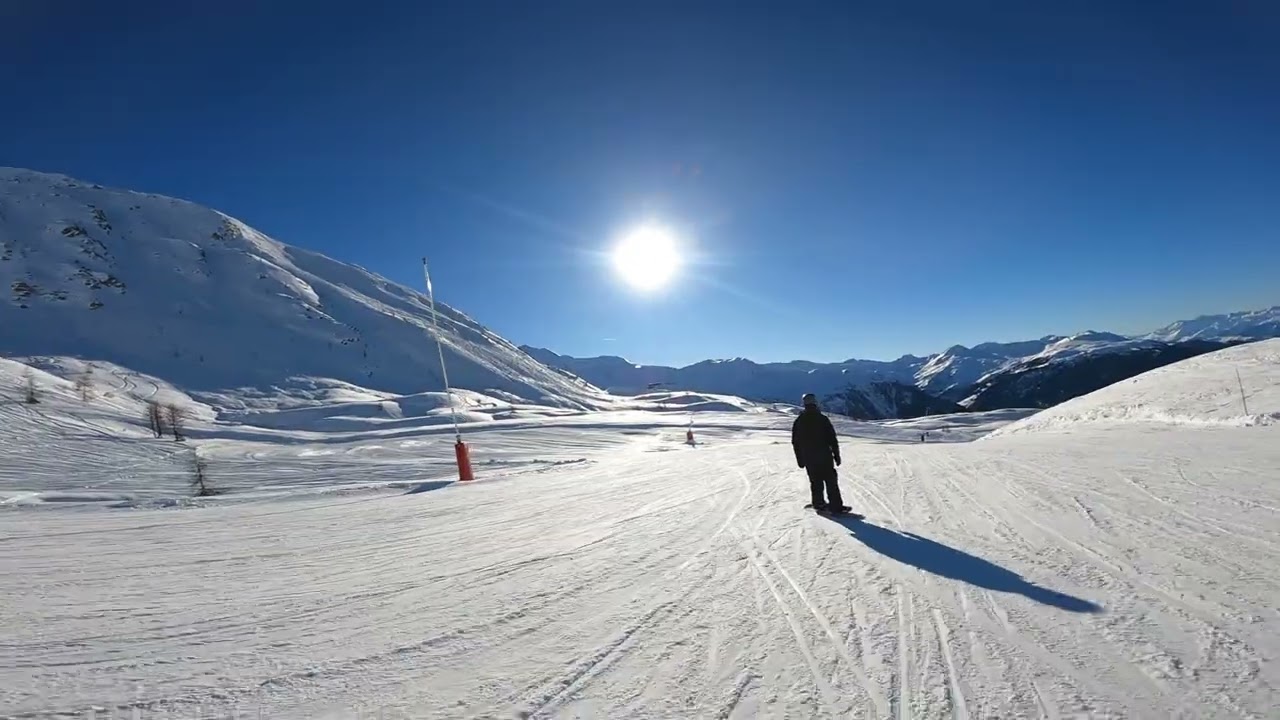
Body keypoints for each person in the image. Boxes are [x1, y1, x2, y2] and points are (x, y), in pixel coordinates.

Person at [791, 393, 849, 513]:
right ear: (815, 403)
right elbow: (832, 438)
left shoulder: (799, 421)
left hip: (809, 457)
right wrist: (836, 455)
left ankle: (818, 503)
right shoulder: (822, 419)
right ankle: (835, 506)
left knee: (815, 481)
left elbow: (796, 442)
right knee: (830, 481)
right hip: (824, 456)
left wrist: (800, 459)